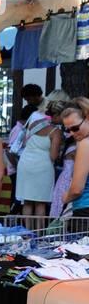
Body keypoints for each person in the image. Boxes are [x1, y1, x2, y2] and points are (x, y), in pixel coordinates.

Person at [15, 91, 55, 229]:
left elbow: (24, 144)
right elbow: (54, 156)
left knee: (27, 202)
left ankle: (28, 231)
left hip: (26, 162)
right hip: (43, 164)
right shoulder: (54, 130)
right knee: (40, 203)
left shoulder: (32, 120)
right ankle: (39, 233)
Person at [60, 98, 89, 229]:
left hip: (84, 212)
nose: (72, 133)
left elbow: (77, 189)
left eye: (75, 128)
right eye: (67, 130)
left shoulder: (85, 143)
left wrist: (66, 197)